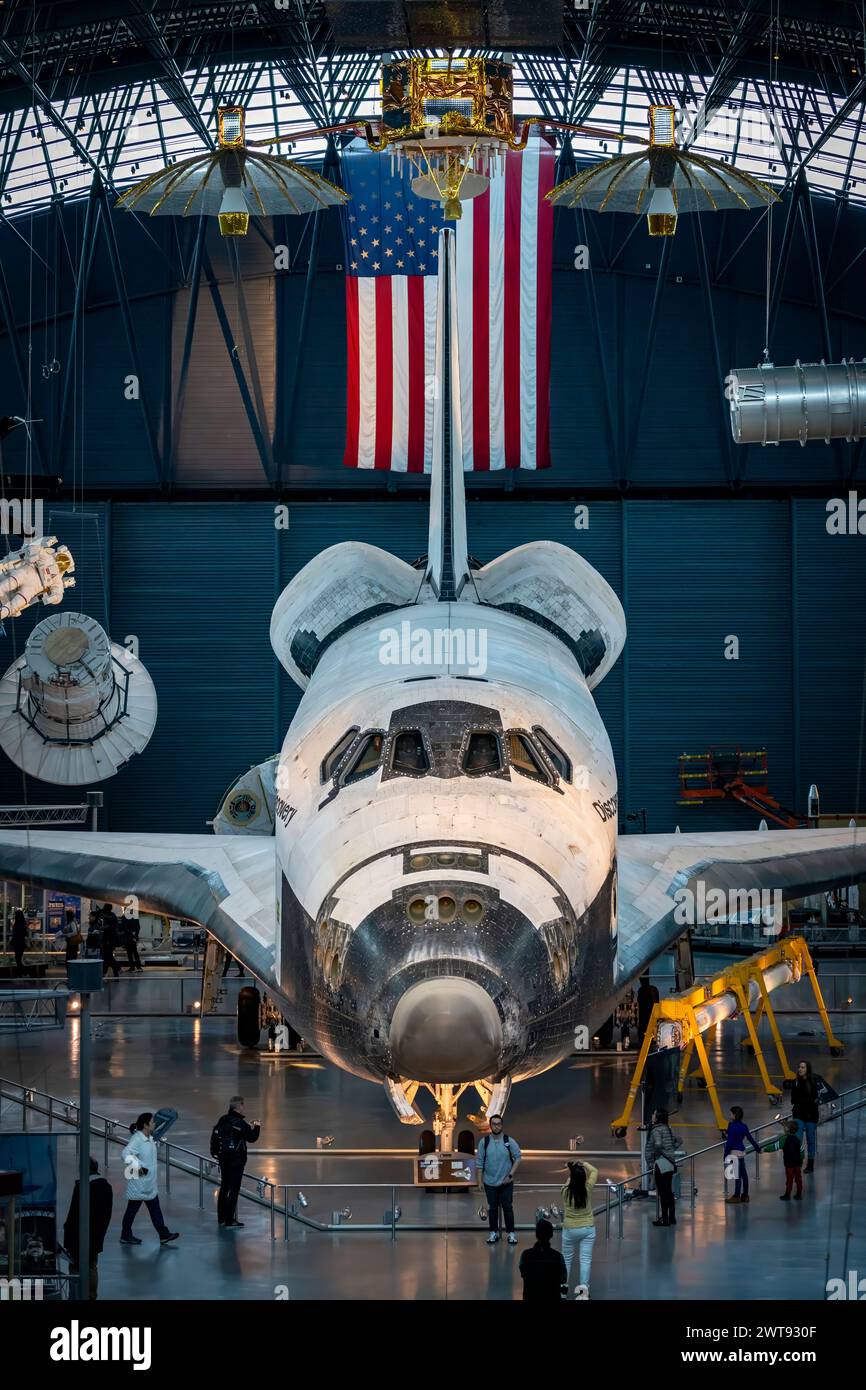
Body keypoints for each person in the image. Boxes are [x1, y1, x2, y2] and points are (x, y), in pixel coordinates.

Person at [120, 1113, 179, 1246]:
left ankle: (163, 1234)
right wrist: (139, 1167)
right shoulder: (137, 1140)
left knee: (153, 1209)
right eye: (152, 1122)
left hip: (149, 1183)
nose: (154, 1124)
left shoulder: (149, 1138)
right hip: (139, 1183)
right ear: (145, 1125)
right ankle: (125, 1235)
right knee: (132, 1210)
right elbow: (125, 1154)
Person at [62, 1156, 113, 1299]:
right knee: (91, 1266)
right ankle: (91, 1295)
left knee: (74, 1266)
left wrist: (68, 1236)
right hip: (96, 1236)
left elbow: (73, 1214)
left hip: (78, 1236)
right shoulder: (105, 1187)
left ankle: (76, 1295)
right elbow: (106, 1213)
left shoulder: (82, 1187)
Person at [210, 1096, 261, 1229]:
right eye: (243, 1105)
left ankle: (221, 1217)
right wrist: (257, 1126)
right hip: (236, 1160)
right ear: (239, 1106)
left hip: (223, 1159)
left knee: (224, 1186)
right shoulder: (239, 1123)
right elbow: (252, 1138)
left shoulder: (223, 1119)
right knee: (234, 1189)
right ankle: (229, 1220)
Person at [477, 1114, 521, 1245]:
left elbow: (518, 1157)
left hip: (506, 1183)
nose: (496, 1126)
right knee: (492, 1208)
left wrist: (510, 1175)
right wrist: (479, 1181)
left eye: (499, 1124)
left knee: (508, 1208)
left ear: (502, 1125)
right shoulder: (484, 1142)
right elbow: (479, 1162)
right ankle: (493, 1233)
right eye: (494, 1124)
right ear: (490, 1126)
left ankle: (511, 1234)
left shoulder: (509, 1141)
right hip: (489, 1182)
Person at [560, 1159, 598, 1298]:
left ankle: (563, 1291)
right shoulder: (588, 1188)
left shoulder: (565, 1191)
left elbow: (570, 1181)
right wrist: (584, 1163)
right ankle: (583, 1293)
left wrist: (571, 1169)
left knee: (566, 1260)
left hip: (570, 1229)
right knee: (585, 1260)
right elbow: (594, 1171)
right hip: (588, 1229)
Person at [518, 1219, 567, 1302]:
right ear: (551, 1235)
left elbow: (523, 1273)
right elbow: (563, 1279)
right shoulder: (558, 1257)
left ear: (536, 1234)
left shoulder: (525, 1255)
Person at [645, 1108, 678, 1227]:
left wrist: (656, 1154)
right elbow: (678, 1141)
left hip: (660, 1164)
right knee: (668, 1191)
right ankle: (671, 1217)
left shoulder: (656, 1130)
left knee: (662, 1193)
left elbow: (658, 1144)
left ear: (658, 1117)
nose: (652, 1115)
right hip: (670, 1163)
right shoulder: (667, 1129)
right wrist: (669, 1151)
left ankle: (664, 1219)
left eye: (654, 1114)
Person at [723, 1105, 762, 1204]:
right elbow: (750, 1139)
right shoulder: (744, 1126)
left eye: (731, 1113)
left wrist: (725, 1155)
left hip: (734, 1153)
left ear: (734, 1115)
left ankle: (736, 1196)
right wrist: (757, 1149)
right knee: (744, 1175)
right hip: (741, 1152)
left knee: (737, 1176)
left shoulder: (731, 1126)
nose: (730, 1115)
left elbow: (729, 1142)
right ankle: (745, 1195)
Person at [791, 1059, 819, 1174]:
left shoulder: (813, 1081)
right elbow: (793, 1099)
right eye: (799, 1067)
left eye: (803, 1067)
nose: (800, 1069)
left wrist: (802, 1101)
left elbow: (813, 1098)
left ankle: (810, 1164)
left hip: (811, 1115)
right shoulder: (795, 1082)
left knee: (811, 1140)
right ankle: (798, 1162)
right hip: (798, 1113)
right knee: (797, 1139)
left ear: (807, 1069)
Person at [780, 1120, 804, 1201]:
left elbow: (775, 1146)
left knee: (789, 1179)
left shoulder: (784, 1139)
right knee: (798, 1178)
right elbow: (802, 1151)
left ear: (788, 1129)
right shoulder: (798, 1139)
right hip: (797, 1162)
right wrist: (801, 1160)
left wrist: (764, 1150)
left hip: (789, 1163)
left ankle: (787, 1194)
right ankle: (799, 1193)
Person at [99, 905, 122, 978]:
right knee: (108, 957)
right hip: (108, 939)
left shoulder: (111, 917)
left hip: (110, 940)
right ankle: (116, 972)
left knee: (108, 956)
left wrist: (101, 928)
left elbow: (109, 927)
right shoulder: (111, 916)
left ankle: (116, 970)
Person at [636, 973, 660, 1043]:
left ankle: (647, 1037)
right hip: (649, 1018)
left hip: (646, 1018)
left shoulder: (643, 991)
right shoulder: (652, 990)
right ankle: (649, 1036)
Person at [10, 908, 28, 976]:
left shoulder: (16, 925)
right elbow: (24, 934)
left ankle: (22, 972)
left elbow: (15, 935)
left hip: (17, 944)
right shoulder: (23, 924)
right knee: (19, 959)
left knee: (18, 959)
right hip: (21, 943)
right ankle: (22, 972)